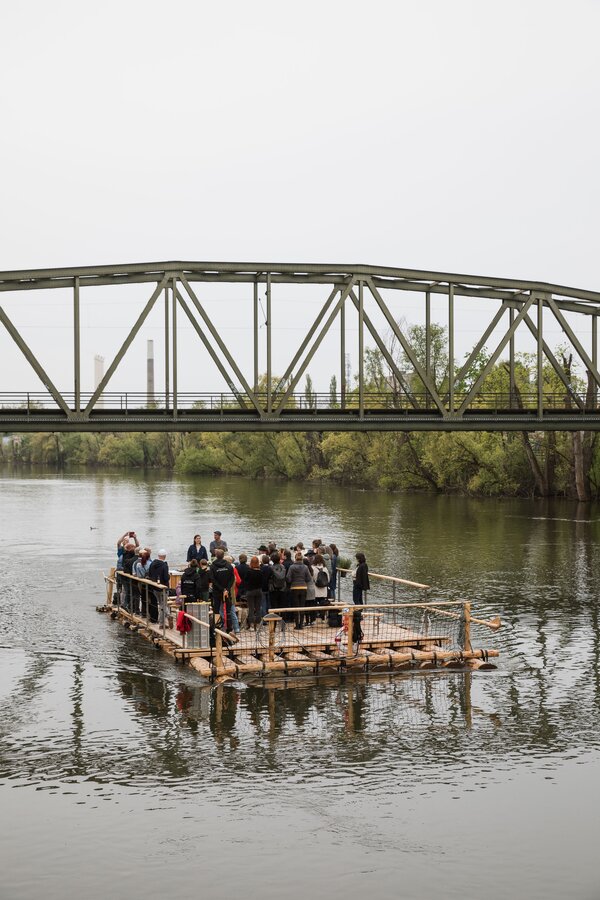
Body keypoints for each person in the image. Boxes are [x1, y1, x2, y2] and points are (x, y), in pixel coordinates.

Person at [210, 549, 237, 640]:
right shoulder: (228, 565)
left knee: (216, 610)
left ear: (216, 556)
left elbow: (213, 579)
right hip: (226, 591)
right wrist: (226, 589)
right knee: (228, 610)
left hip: (217, 591)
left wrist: (222, 589)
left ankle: (217, 628)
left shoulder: (213, 566)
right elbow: (232, 578)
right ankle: (229, 628)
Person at [286, 551, 311, 630]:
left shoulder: (292, 567)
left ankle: (297, 624)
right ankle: (301, 624)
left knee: (296, 607)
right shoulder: (305, 567)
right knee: (302, 606)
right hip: (303, 587)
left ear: (295, 558)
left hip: (294, 588)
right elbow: (309, 578)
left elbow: (288, 578)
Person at [149, 550, 169, 625]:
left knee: (161, 604)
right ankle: (162, 622)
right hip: (163, 588)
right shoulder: (164, 565)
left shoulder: (152, 563)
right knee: (163, 605)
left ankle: (165, 618)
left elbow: (150, 573)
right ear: (165, 556)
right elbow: (166, 578)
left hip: (154, 587)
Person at [244, 555, 263, 630]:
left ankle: (251, 625)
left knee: (251, 608)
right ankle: (258, 625)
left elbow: (245, 581)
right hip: (259, 590)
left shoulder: (249, 572)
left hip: (250, 591)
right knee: (258, 608)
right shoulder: (261, 572)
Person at [133, 550, 152, 616]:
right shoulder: (150, 563)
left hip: (140, 582)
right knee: (149, 597)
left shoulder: (138, 564)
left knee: (143, 597)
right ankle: (147, 612)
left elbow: (137, 575)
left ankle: (143, 613)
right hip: (148, 583)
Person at [313, 552, 330, 619]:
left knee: (314, 603)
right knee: (322, 603)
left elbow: (312, 578)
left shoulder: (313, 568)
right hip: (323, 589)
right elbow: (328, 579)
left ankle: (314, 617)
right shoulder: (325, 568)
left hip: (315, 589)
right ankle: (323, 617)